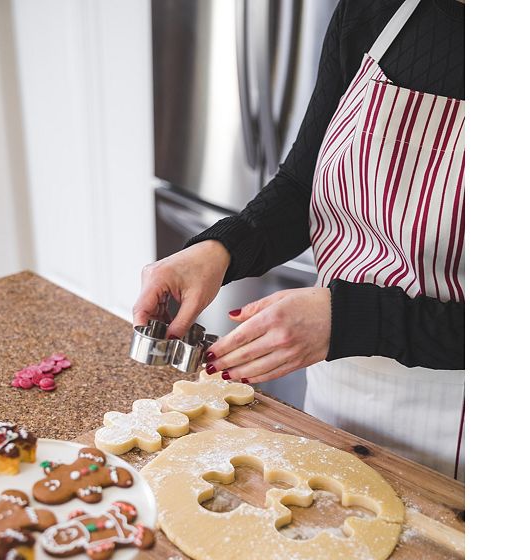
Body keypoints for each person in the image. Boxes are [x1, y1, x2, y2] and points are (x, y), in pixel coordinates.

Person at [134, 0, 465, 480]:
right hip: (340, 397)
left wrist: (347, 321)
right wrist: (218, 250)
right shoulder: (377, 11)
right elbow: (302, 184)